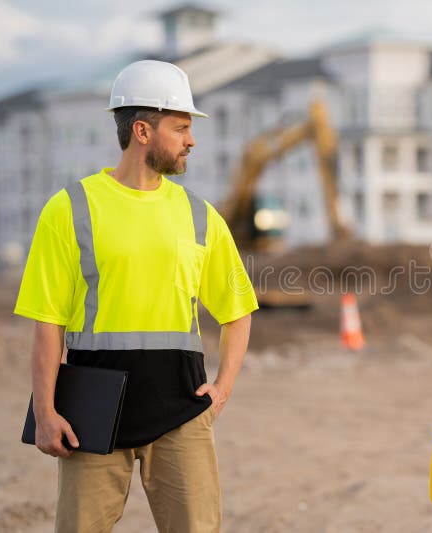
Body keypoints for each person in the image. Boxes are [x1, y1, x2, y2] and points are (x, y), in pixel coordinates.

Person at [14, 60, 258, 532]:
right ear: (142, 130)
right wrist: (45, 412)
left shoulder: (200, 215)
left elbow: (238, 309)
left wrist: (223, 389)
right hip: (89, 412)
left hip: (182, 408)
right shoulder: (70, 209)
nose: (192, 140)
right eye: (182, 127)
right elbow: (48, 322)